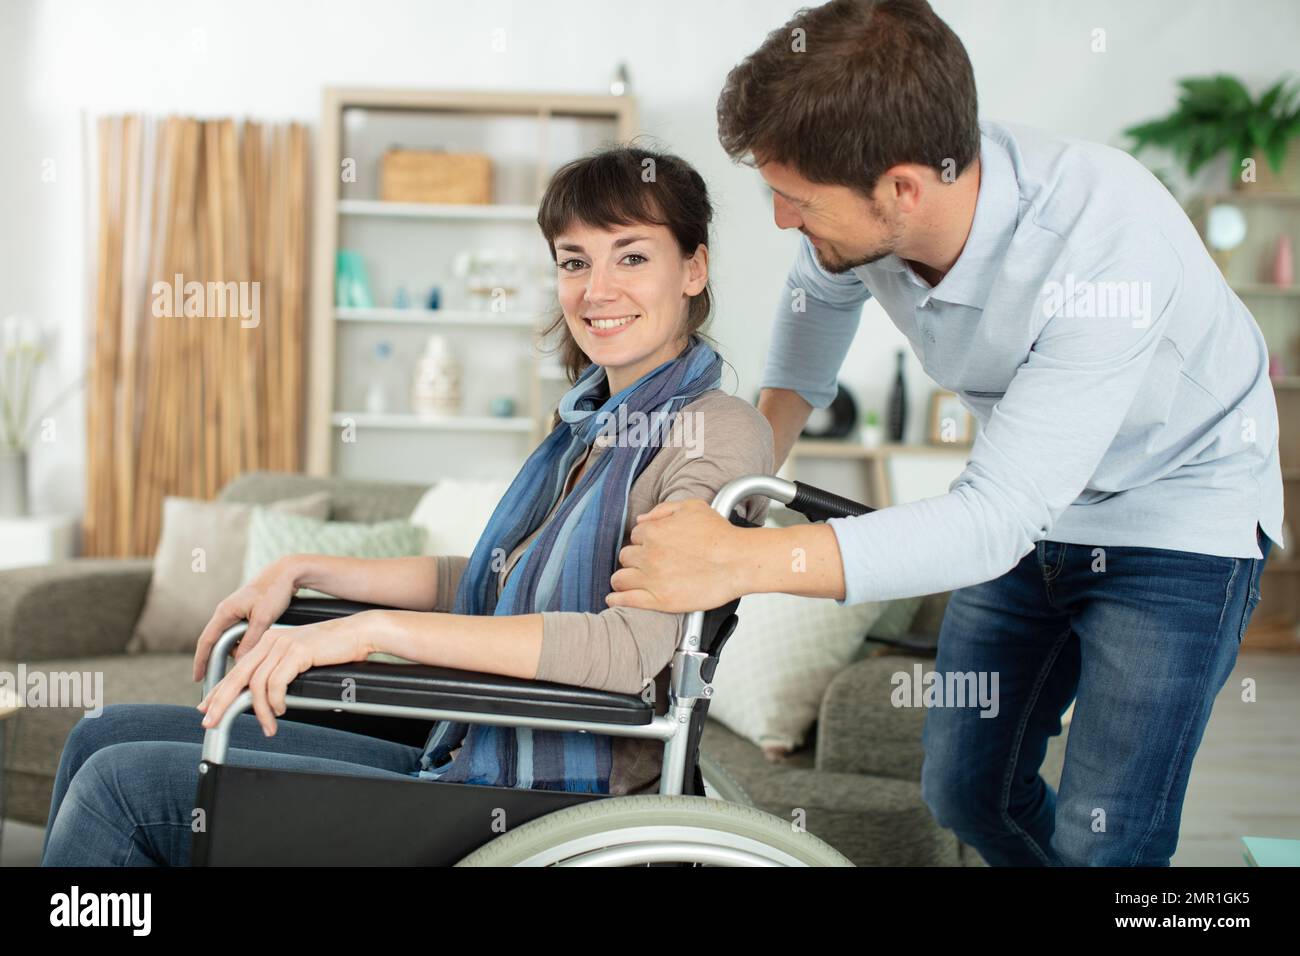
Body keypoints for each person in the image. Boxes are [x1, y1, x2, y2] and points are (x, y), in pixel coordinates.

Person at [606, 0, 1281, 866]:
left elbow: (992, 520)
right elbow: (802, 368)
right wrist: (725, 493)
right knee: (964, 789)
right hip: (1034, 493)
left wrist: (740, 561)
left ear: (902, 190)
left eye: (795, 200)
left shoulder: (1106, 249)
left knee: (1104, 837)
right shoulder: (864, 204)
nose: (782, 220)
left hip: (1181, 513)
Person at [41, 145, 773, 866]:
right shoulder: (589, 429)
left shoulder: (715, 431)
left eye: (632, 256)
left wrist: (370, 632)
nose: (596, 289)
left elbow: (625, 653)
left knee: (122, 789)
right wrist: (307, 568)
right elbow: (491, 580)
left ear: (694, 269)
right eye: (574, 261)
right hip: (469, 752)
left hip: (555, 802)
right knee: (101, 733)